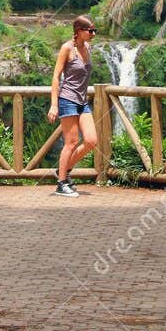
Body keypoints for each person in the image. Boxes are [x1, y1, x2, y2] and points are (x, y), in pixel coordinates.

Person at [47, 15, 100, 197]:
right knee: (71, 142)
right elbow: (56, 77)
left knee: (91, 140)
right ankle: (61, 183)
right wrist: (54, 105)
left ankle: (63, 170)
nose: (93, 34)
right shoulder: (67, 48)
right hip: (67, 99)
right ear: (79, 31)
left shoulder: (87, 47)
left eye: (94, 30)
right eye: (90, 30)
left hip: (82, 101)